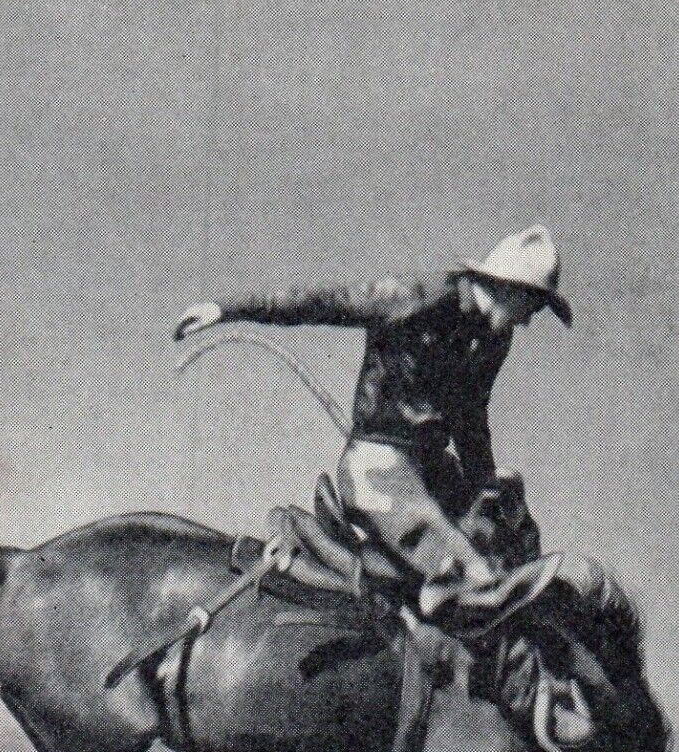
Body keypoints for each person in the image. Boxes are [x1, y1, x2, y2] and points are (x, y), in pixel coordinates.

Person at [174, 226, 571, 618]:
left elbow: (471, 418)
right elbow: (320, 302)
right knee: (472, 571)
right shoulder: (416, 296)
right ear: (512, 289)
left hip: (432, 467)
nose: (528, 321)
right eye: (533, 308)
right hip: (376, 467)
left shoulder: (494, 339)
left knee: (505, 530)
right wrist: (227, 309)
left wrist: (484, 482)